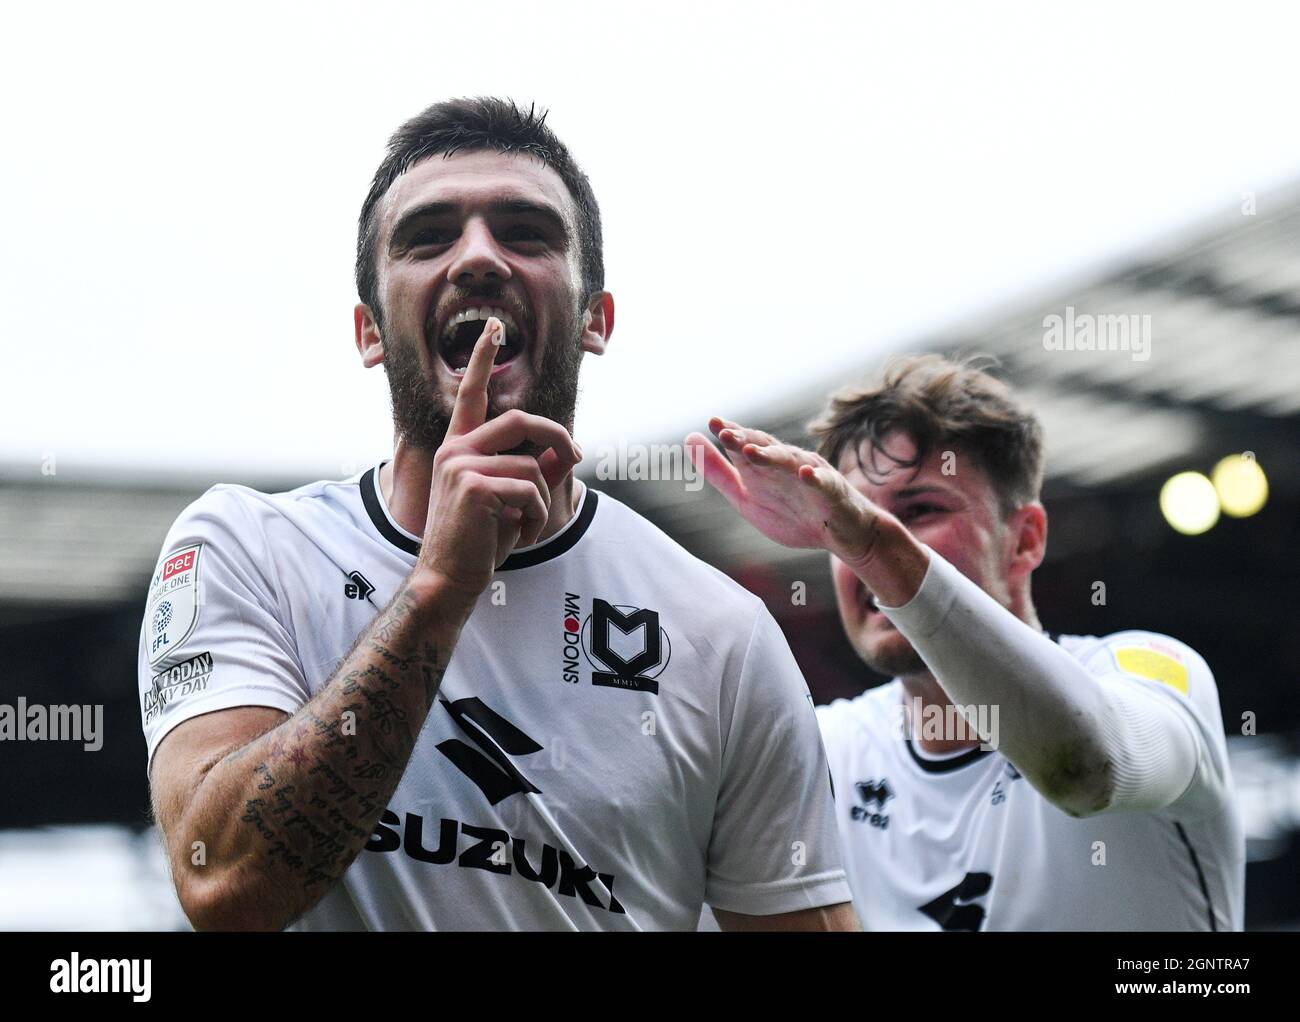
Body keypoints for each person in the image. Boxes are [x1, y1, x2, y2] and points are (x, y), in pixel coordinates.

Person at [139, 97, 855, 932]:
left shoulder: (721, 633)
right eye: (429, 235)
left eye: (525, 231)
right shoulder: (246, 550)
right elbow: (223, 884)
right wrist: (439, 587)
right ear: (370, 331)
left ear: (596, 320)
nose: (478, 257)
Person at [687, 354, 1244, 930]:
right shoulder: (825, 750)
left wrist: (878, 549)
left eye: (920, 510)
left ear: (1024, 539)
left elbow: (1086, 769)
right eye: (842, 522)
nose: (860, 546)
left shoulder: (1151, 672)